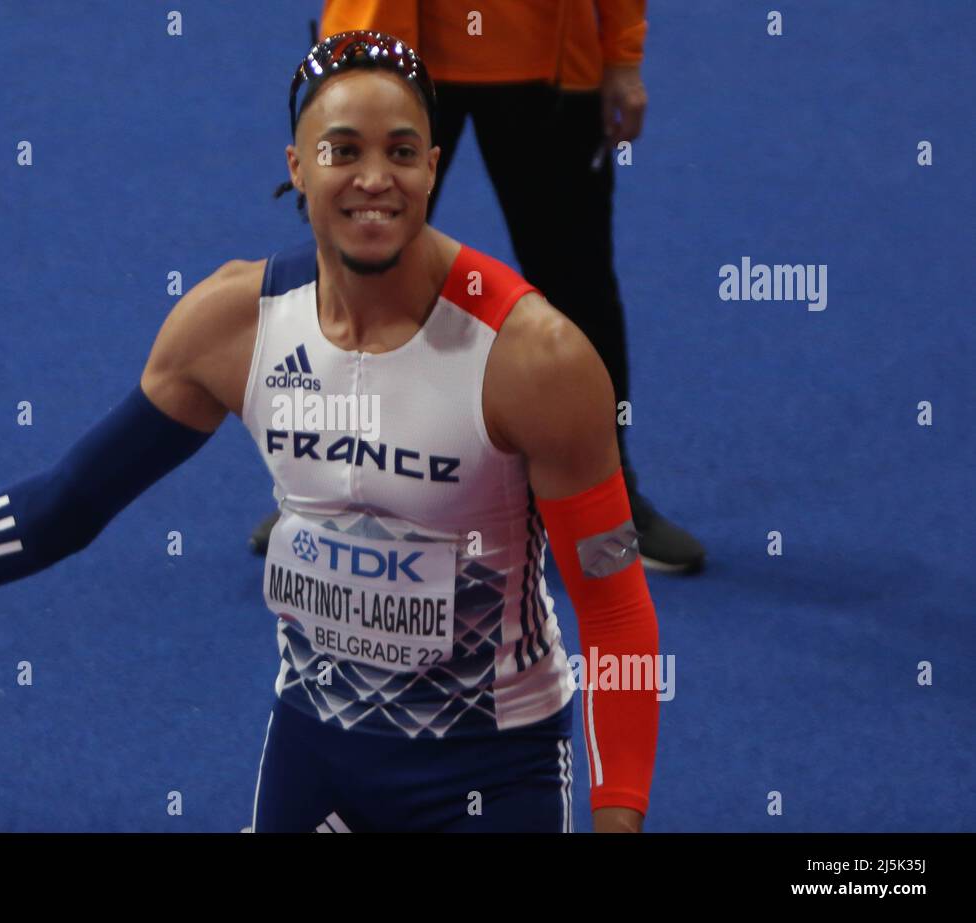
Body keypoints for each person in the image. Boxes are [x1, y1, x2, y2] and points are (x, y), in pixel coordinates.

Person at [0, 32, 658, 833]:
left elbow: (613, 611)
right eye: (344, 151)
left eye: (403, 151)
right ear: (297, 165)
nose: (376, 180)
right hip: (312, 760)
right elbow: (61, 508)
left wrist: (618, 817)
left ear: (434, 166)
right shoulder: (234, 323)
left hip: (486, 779)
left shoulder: (534, 359)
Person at [250, 0, 707, 574]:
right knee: (359, 279)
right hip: (385, 56)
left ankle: (608, 496)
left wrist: (623, 57)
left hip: (543, 66)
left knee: (579, 287)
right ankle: (330, 490)